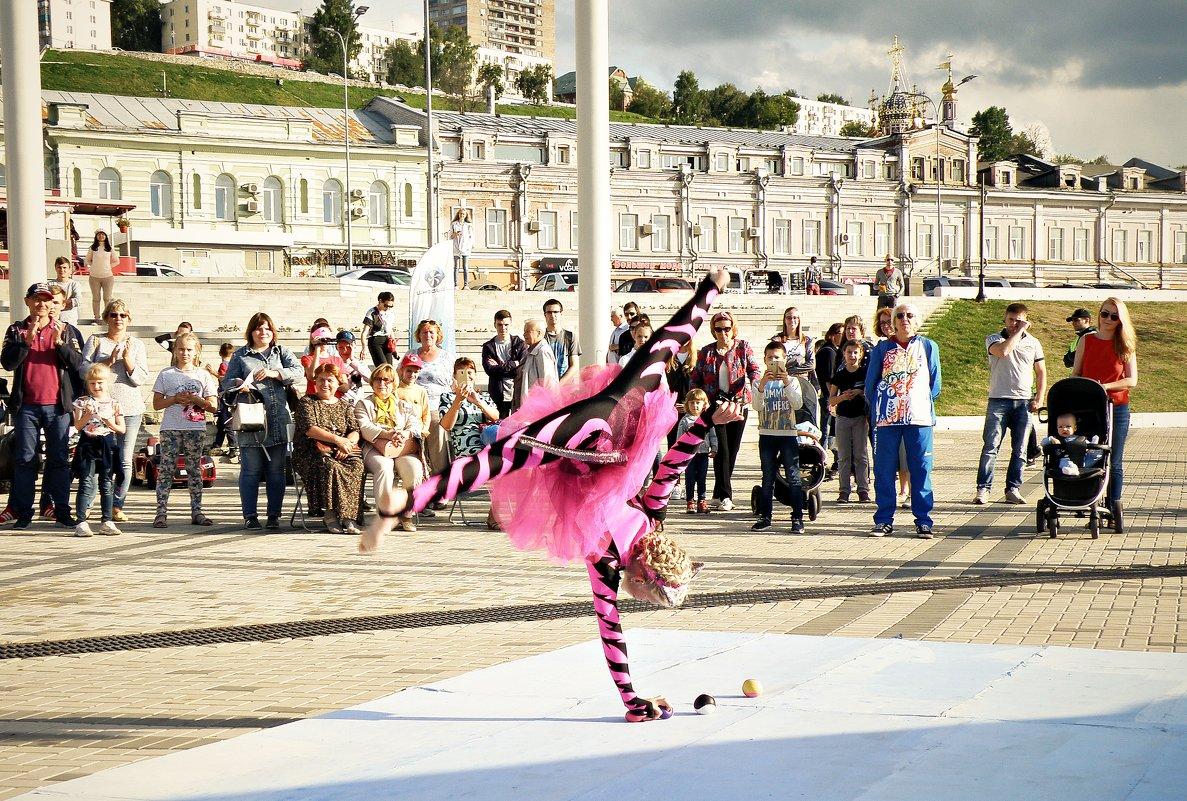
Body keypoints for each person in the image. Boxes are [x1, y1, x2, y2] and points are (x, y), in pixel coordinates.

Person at [361, 267, 738, 723]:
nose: (637, 599)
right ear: (642, 578)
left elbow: (675, 460)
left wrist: (706, 421)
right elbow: (611, 633)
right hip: (586, 443)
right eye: (646, 596)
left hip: (610, 420)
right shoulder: (606, 560)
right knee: (502, 459)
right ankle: (406, 502)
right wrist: (633, 702)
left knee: (659, 352)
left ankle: (710, 289)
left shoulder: (650, 516)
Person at [0, 283, 88, 529]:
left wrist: (60, 344)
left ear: (52, 304)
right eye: (36, 299)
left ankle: (61, 510)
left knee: (59, 459)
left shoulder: (66, 330)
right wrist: (26, 342)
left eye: (46, 300)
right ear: (27, 301)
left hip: (57, 407)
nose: (41, 304)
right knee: (25, 459)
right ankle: (23, 512)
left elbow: (78, 364)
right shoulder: (16, 329)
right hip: (26, 406)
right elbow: (7, 363)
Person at [865, 302, 942, 539]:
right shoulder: (882, 349)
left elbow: (935, 384)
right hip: (887, 420)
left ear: (917, 321)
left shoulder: (928, 346)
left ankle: (923, 521)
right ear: (893, 321)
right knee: (884, 470)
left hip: (919, 418)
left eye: (909, 315)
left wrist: (916, 400)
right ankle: (883, 519)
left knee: (921, 468)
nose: (904, 319)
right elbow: (870, 385)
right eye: (899, 315)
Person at [223, 312, 304, 530]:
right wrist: (239, 384)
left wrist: (275, 373)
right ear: (251, 332)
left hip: (278, 419)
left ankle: (274, 515)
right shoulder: (241, 355)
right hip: (251, 420)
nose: (263, 332)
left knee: (277, 471)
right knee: (250, 470)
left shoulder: (281, 352)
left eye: (267, 328)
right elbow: (226, 383)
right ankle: (250, 515)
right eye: (258, 328)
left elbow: (299, 372)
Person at [81, 299, 149, 523]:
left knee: (124, 460)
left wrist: (128, 361)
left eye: (122, 315)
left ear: (129, 319)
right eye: (113, 315)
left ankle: (116, 505)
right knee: (97, 459)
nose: (118, 319)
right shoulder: (96, 340)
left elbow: (140, 378)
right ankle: (88, 504)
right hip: (100, 409)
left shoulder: (136, 344)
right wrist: (108, 362)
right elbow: (83, 370)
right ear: (106, 318)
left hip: (129, 408)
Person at [974, 303, 1047, 506]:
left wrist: (1039, 398)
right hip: (998, 400)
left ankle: (1013, 488)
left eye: (1019, 321)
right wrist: (1020, 331)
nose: (1014, 324)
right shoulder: (994, 339)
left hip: (1023, 401)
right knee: (991, 446)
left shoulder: (1033, 343)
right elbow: (1003, 351)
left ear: (1026, 320)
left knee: (1020, 448)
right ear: (1005, 319)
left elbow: (1041, 371)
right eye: (1011, 320)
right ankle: (983, 488)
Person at [690, 310, 761, 511]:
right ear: (713, 330)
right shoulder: (706, 351)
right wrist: (699, 399)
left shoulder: (742, 347)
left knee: (732, 449)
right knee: (721, 449)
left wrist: (755, 384)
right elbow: (695, 378)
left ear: (733, 329)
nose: (723, 333)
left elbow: (754, 369)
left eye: (727, 329)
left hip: (738, 404)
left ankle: (718, 492)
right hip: (715, 407)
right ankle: (726, 496)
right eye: (719, 329)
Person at [1073, 298, 1137, 515]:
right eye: (1105, 314)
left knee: (1114, 459)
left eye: (1114, 316)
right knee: (1088, 453)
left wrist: (1105, 386)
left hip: (1116, 406)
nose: (1108, 319)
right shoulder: (1087, 340)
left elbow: (1131, 380)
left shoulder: (1125, 344)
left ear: (1121, 320)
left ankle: (1113, 506)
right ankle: (1086, 498)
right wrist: (1085, 388)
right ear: (1099, 314)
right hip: (1089, 407)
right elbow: (1076, 373)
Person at [151, 333, 218, 528]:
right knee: (166, 469)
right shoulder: (166, 374)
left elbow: (214, 406)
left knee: (194, 469)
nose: (185, 353)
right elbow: (156, 404)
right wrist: (174, 399)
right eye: (181, 349)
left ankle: (197, 510)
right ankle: (161, 512)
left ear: (196, 351)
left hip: (195, 428)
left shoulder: (203, 375)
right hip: (171, 427)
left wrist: (198, 400)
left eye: (189, 349)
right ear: (174, 350)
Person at [293, 363, 365, 534]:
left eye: (330, 380)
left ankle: (349, 517)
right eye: (321, 380)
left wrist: (346, 445)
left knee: (357, 466)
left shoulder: (345, 406)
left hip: (342, 449)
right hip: (311, 451)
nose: (325, 384)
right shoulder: (307, 402)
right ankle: (330, 515)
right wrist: (338, 440)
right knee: (331, 466)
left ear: (338, 383)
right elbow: (310, 429)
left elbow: (355, 430)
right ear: (315, 382)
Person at [355, 364, 426, 536]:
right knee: (384, 467)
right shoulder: (364, 404)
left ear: (394, 383)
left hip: (401, 447)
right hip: (374, 447)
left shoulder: (403, 405)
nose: (382, 383)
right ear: (372, 382)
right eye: (378, 379)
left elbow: (415, 425)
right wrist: (388, 434)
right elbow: (365, 428)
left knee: (414, 469)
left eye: (387, 380)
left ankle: (406, 514)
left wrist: (403, 433)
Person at [752, 340, 806, 533]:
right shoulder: (758, 382)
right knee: (768, 477)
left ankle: (797, 517)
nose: (773, 361)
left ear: (784, 359)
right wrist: (762, 386)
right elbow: (756, 406)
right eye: (770, 358)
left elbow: (797, 404)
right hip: (767, 434)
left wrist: (786, 383)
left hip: (787, 434)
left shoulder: (793, 381)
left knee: (793, 476)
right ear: (764, 360)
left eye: (777, 358)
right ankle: (765, 517)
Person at [71, 364, 125, 537]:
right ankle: (81, 522)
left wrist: (108, 421)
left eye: (100, 382)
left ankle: (107, 521)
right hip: (87, 444)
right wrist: (87, 415)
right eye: (92, 383)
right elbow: (77, 426)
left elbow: (122, 429)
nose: (96, 386)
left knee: (107, 484)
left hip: (107, 445)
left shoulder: (115, 403)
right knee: (86, 482)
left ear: (107, 382)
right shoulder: (82, 402)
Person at [829, 339, 871, 503]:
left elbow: (871, 392)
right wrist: (843, 397)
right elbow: (831, 400)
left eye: (855, 352)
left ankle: (863, 489)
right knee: (844, 456)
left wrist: (860, 392)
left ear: (860, 354)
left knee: (861, 455)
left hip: (860, 417)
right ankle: (844, 490)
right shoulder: (839, 375)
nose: (852, 355)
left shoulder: (865, 373)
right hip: (843, 418)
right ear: (844, 354)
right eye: (849, 352)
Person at [410, 319, 453, 472]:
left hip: (438, 406)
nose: (428, 335)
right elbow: (399, 377)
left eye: (431, 332)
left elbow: (454, 382)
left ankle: (440, 477)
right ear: (419, 335)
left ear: (437, 335)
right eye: (424, 332)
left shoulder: (447, 357)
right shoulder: (411, 355)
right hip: (414, 406)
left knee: (437, 425)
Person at [440, 357, 500, 460]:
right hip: (465, 450)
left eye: (470, 372)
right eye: (462, 372)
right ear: (454, 376)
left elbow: (496, 417)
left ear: (475, 375)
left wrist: (478, 402)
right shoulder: (447, 397)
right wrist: (458, 400)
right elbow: (446, 426)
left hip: (488, 447)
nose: (467, 376)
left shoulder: (484, 397)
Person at [677, 389, 716, 513]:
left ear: (704, 404)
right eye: (692, 403)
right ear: (687, 404)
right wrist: (680, 452)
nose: (695, 406)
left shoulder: (706, 420)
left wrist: (714, 448)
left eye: (698, 403)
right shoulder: (685, 421)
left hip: (703, 454)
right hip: (689, 455)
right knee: (690, 478)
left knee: (702, 478)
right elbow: (679, 437)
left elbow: (712, 435)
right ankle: (690, 501)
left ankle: (702, 500)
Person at [481, 309, 524, 421]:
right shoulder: (488, 346)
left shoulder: (519, 343)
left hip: (516, 390)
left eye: (506, 325)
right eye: (499, 325)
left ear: (511, 324)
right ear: (494, 325)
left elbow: (522, 366)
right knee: (499, 424)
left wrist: (499, 367)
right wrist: (514, 363)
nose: (503, 328)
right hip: (497, 392)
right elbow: (490, 370)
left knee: (516, 424)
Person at [815, 322, 844, 475]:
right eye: (841, 334)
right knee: (827, 431)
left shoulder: (829, 350)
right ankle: (823, 462)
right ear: (833, 335)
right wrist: (832, 399)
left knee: (829, 430)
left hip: (829, 396)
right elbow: (828, 378)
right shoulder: (829, 352)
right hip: (829, 397)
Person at [514, 319, 558, 411]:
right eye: (524, 332)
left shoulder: (543, 351)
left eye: (527, 331)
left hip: (537, 409)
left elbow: (547, 383)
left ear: (539, 333)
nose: (524, 335)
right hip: (527, 407)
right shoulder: (530, 351)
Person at [209, 342, 238, 460]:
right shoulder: (234, 364)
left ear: (220, 353)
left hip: (226, 397)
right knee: (221, 422)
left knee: (227, 422)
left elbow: (224, 379)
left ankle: (233, 446)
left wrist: (212, 372)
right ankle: (217, 444)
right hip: (231, 396)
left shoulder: (224, 365)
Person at [301, 324, 346, 396]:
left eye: (327, 339)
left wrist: (332, 383)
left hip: (334, 398)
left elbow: (345, 385)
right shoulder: (307, 358)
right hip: (314, 398)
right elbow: (312, 376)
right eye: (322, 339)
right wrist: (317, 349)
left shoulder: (337, 360)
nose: (324, 342)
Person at [542, 298, 581, 381]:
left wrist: (559, 385)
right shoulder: (540, 337)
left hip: (567, 385)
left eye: (556, 312)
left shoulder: (570, 336)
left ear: (561, 314)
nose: (552, 315)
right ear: (545, 315)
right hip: (546, 383)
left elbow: (574, 365)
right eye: (549, 312)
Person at [84, 230, 118, 322]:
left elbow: (116, 261)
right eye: (99, 234)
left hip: (108, 277)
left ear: (106, 236)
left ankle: (107, 318)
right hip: (94, 277)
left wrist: (108, 267)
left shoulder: (110, 248)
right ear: (96, 236)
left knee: (107, 298)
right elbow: (87, 260)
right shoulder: (92, 248)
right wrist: (93, 266)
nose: (101, 236)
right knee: (96, 298)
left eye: (103, 234)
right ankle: (97, 318)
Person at [361, 291, 398, 367]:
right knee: (383, 367)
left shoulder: (390, 313)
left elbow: (390, 329)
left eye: (390, 306)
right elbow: (365, 332)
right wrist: (364, 347)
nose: (388, 308)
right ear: (380, 301)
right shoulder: (372, 312)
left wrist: (394, 346)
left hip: (387, 341)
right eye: (386, 305)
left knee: (389, 368)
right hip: (375, 341)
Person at [335, 330, 371, 402]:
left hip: (357, 401)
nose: (345, 350)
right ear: (336, 347)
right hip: (340, 401)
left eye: (348, 347)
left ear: (354, 346)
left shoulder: (359, 363)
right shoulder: (334, 363)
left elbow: (370, 379)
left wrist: (352, 360)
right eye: (341, 347)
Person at [50, 256, 82, 327]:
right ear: (55, 268)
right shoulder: (50, 284)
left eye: (64, 268)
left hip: (70, 321)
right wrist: (66, 302)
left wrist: (59, 303)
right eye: (59, 267)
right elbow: (48, 301)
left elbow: (78, 301)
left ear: (69, 269)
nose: (62, 270)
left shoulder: (74, 284)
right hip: (53, 321)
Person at [450, 208, 474, 289]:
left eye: (463, 214)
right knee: (456, 267)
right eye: (461, 213)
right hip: (456, 247)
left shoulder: (468, 225)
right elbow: (450, 236)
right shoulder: (454, 224)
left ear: (466, 215)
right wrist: (455, 234)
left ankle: (466, 285)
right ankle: (456, 285)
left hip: (465, 247)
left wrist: (469, 246)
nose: (462, 215)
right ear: (458, 214)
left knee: (465, 267)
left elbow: (471, 237)